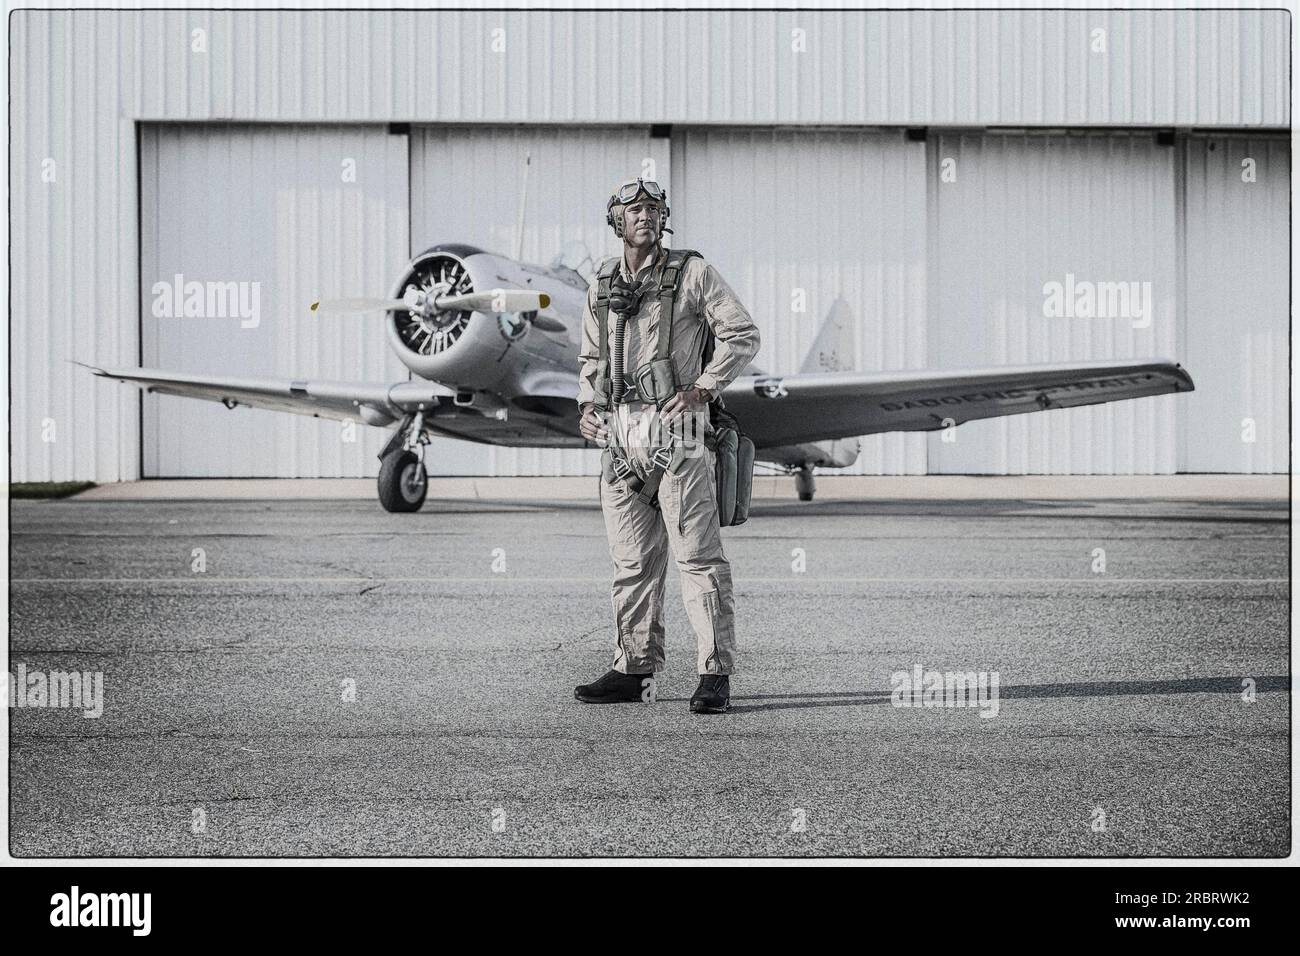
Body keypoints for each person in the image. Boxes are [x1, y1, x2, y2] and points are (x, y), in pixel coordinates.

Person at [573, 177, 760, 714]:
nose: (646, 215)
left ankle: (714, 674)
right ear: (617, 221)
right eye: (635, 209)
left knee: (698, 559)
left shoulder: (693, 273)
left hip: (679, 440)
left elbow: (742, 333)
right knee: (631, 564)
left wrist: (704, 388)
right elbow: (591, 360)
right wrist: (587, 409)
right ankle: (633, 670)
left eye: (655, 209)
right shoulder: (600, 285)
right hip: (620, 444)